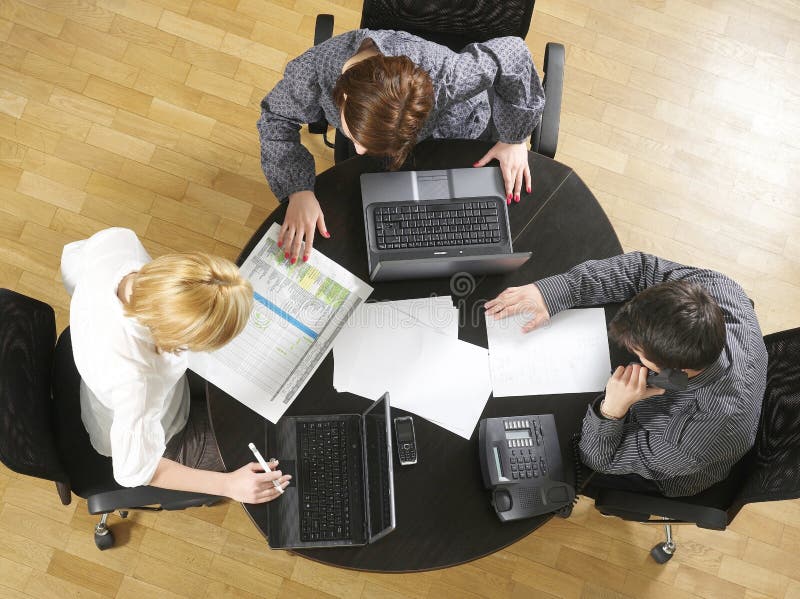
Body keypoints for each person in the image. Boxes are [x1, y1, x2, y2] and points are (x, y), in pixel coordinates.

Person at [485, 252, 767, 497]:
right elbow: (642, 269)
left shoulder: (688, 443)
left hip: (671, 469)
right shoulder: (720, 290)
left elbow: (598, 459)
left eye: (637, 350)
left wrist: (612, 410)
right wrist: (556, 292)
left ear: (673, 370)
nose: (632, 351)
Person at [257, 29, 545, 263]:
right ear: (342, 96)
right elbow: (275, 118)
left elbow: (514, 52)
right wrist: (299, 190)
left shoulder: (448, 75)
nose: (357, 150)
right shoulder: (313, 72)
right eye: (355, 137)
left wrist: (513, 139)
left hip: (457, 133)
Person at [61, 227, 291, 504]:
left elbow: (70, 267)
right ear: (174, 339)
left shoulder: (116, 243)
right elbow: (132, 472)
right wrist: (229, 485)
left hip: (136, 392)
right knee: (257, 438)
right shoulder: (136, 384)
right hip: (153, 436)